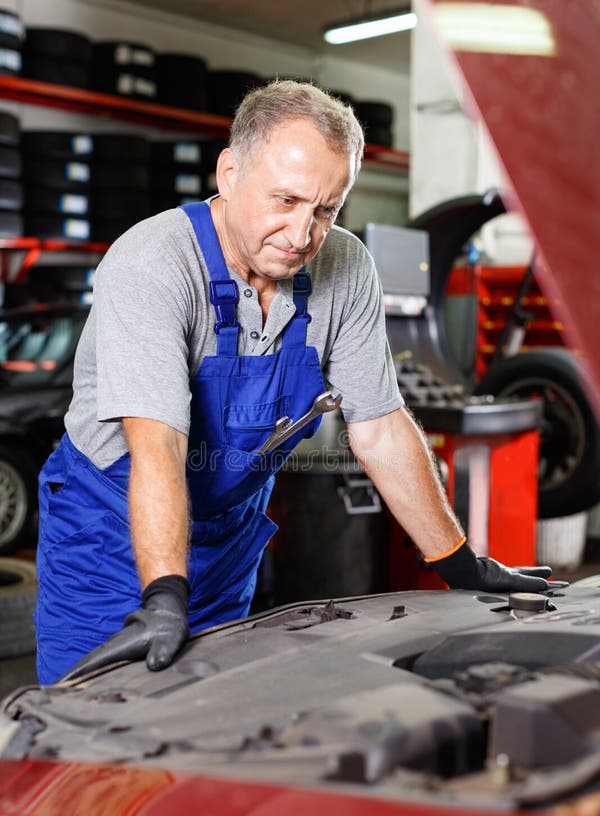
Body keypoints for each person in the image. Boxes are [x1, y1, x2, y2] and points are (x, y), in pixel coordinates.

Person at [34, 80, 553, 685]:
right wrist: (164, 595)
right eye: (285, 200)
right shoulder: (153, 263)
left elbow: (381, 428)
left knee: (210, 722)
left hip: (227, 542)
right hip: (109, 539)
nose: (303, 234)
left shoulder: (347, 267)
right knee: (88, 740)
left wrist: (457, 562)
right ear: (229, 173)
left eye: (326, 210)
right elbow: (159, 444)